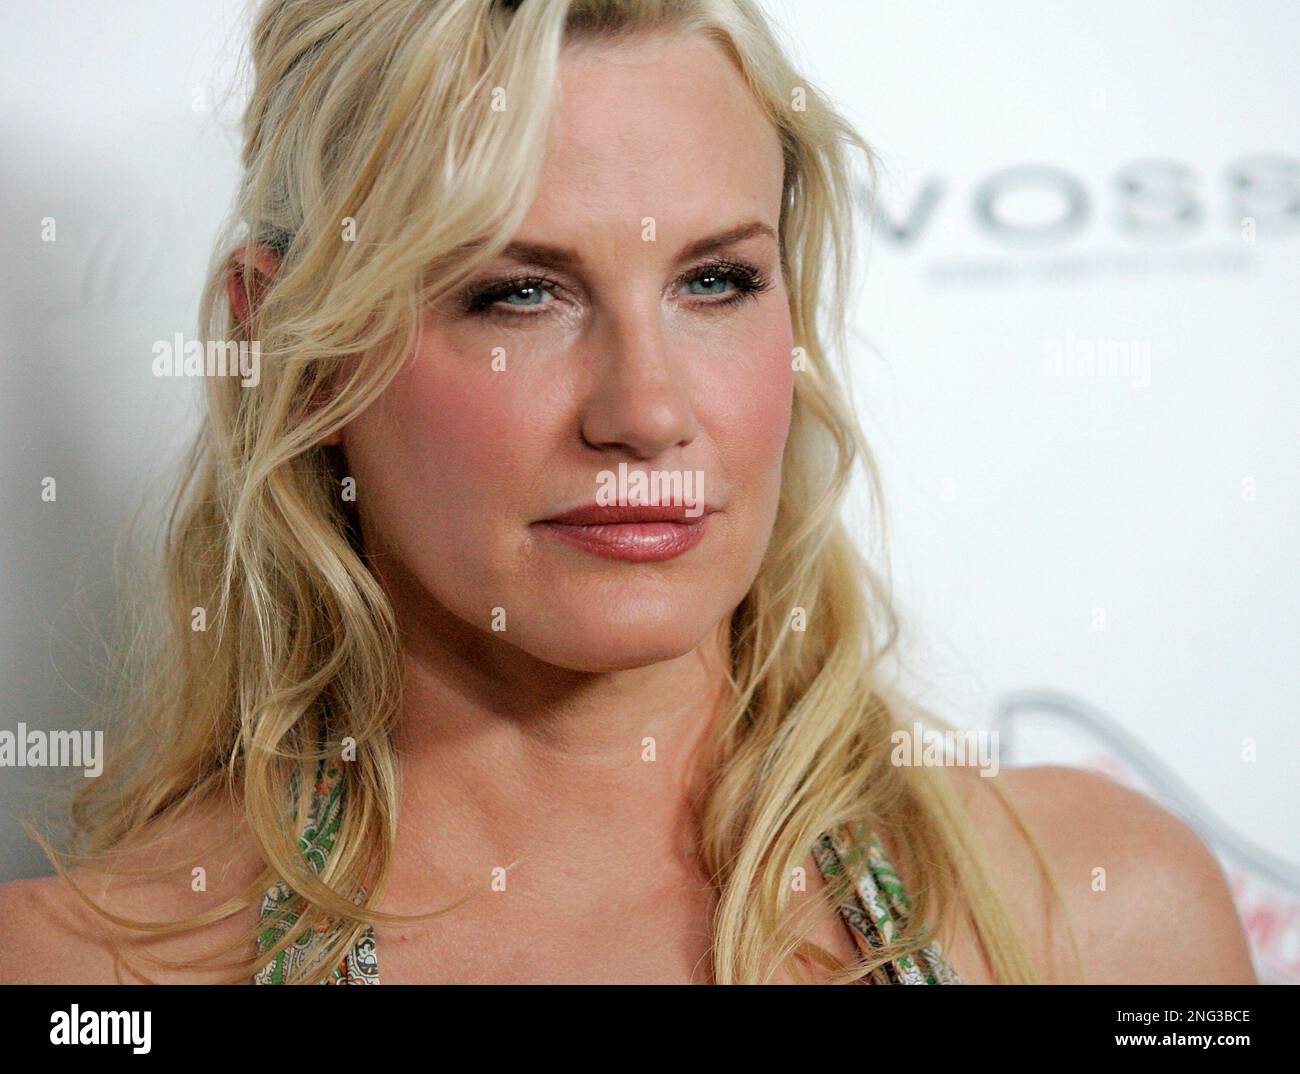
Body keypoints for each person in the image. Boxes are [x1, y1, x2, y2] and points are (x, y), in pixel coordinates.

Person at [0, 0, 1256, 985]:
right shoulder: (75, 976)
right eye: (517, 292)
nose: (647, 411)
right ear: (288, 342)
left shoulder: (1098, 913)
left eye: (715, 283)